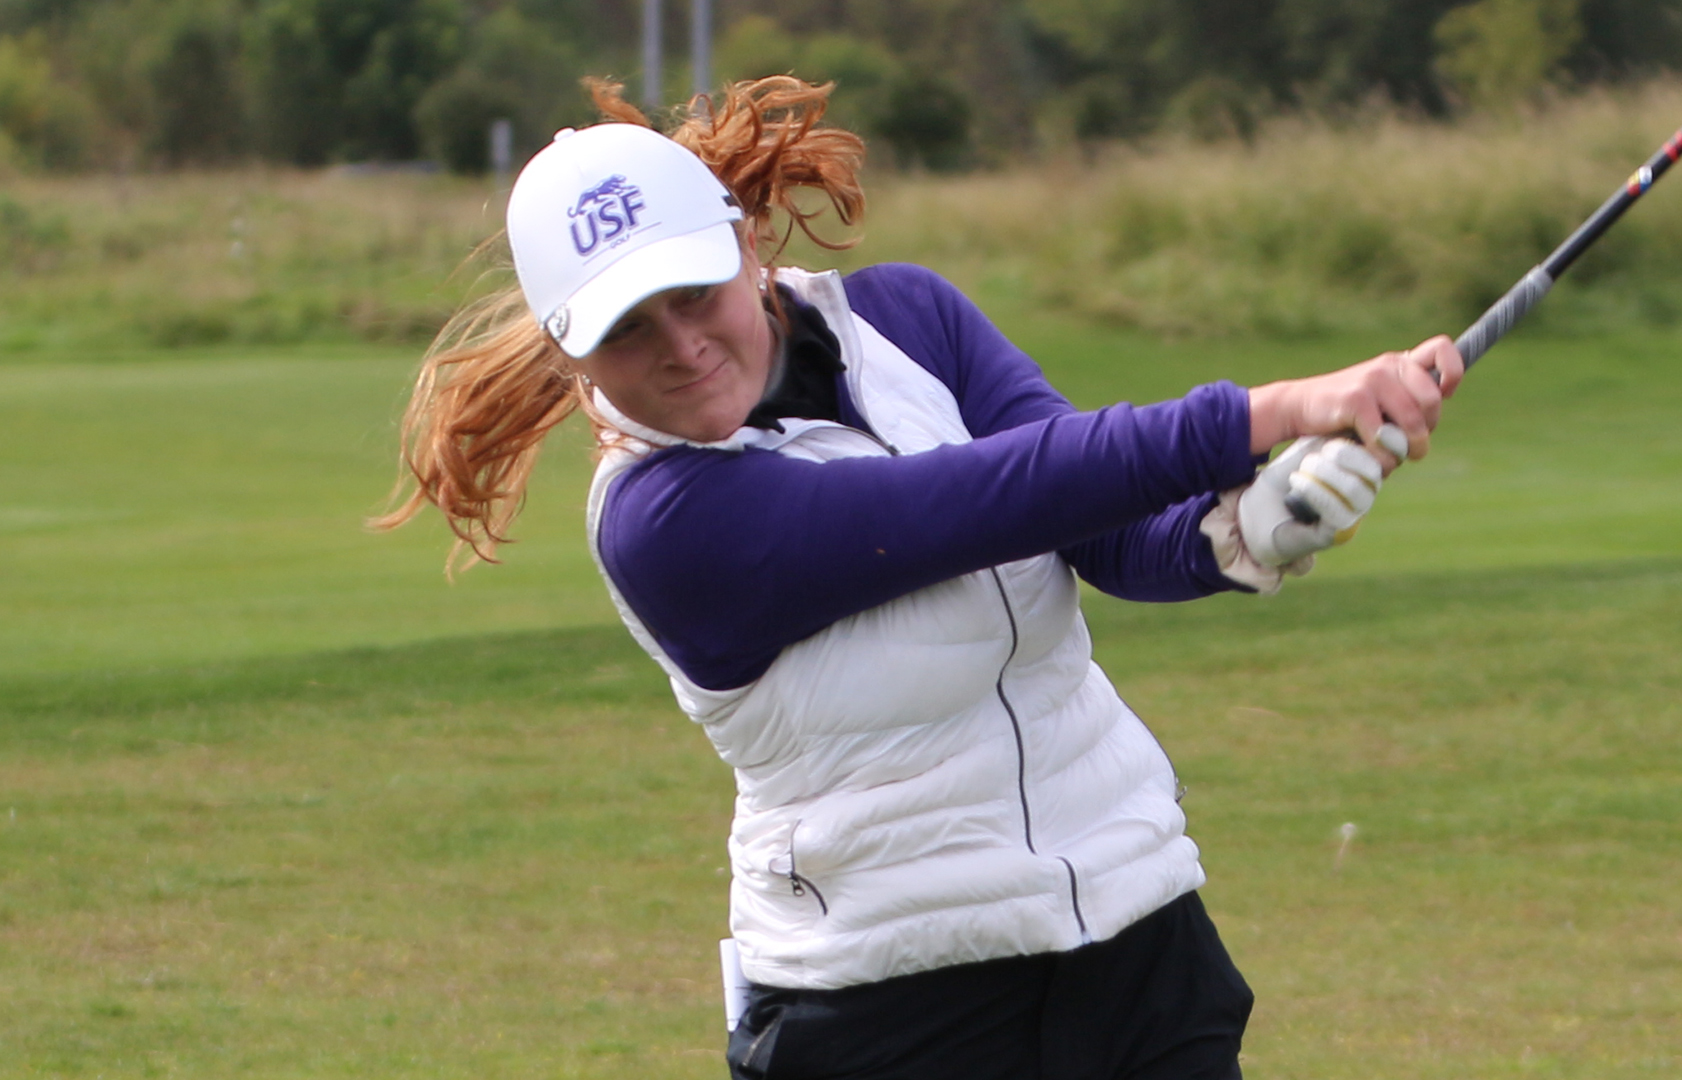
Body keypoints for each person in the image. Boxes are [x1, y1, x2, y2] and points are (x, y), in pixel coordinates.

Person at [376, 75, 1461, 1080]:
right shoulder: (663, 522)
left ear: (746, 249)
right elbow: (983, 500)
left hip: (1133, 934)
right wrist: (1268, 413)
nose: (680, 346)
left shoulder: (906, 319)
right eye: (624, 330)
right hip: (893, 1004)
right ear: (575, 357)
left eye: (692, 294)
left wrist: (1246, 530)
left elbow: (1107, 534)